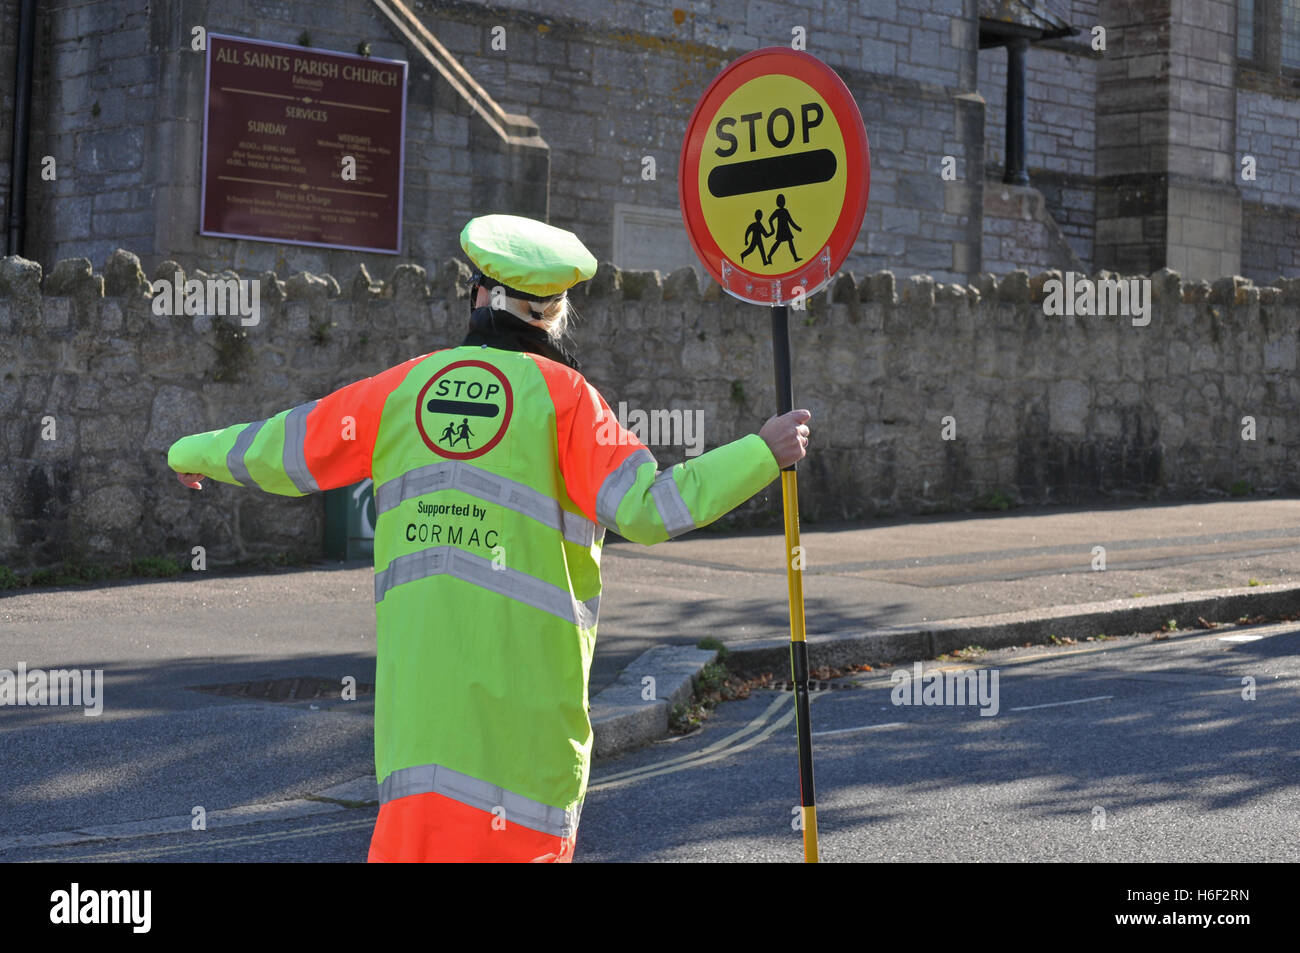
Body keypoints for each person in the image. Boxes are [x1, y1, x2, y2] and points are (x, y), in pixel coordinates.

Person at [168, 213, 812, 863]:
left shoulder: (406, 386)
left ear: (480, 295)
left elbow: (288, 445)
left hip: (419, 734)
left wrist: (193, 449)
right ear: (552, 311)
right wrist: (762, 451)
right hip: (524, 739)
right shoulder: (568, 401)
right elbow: (650, 508)